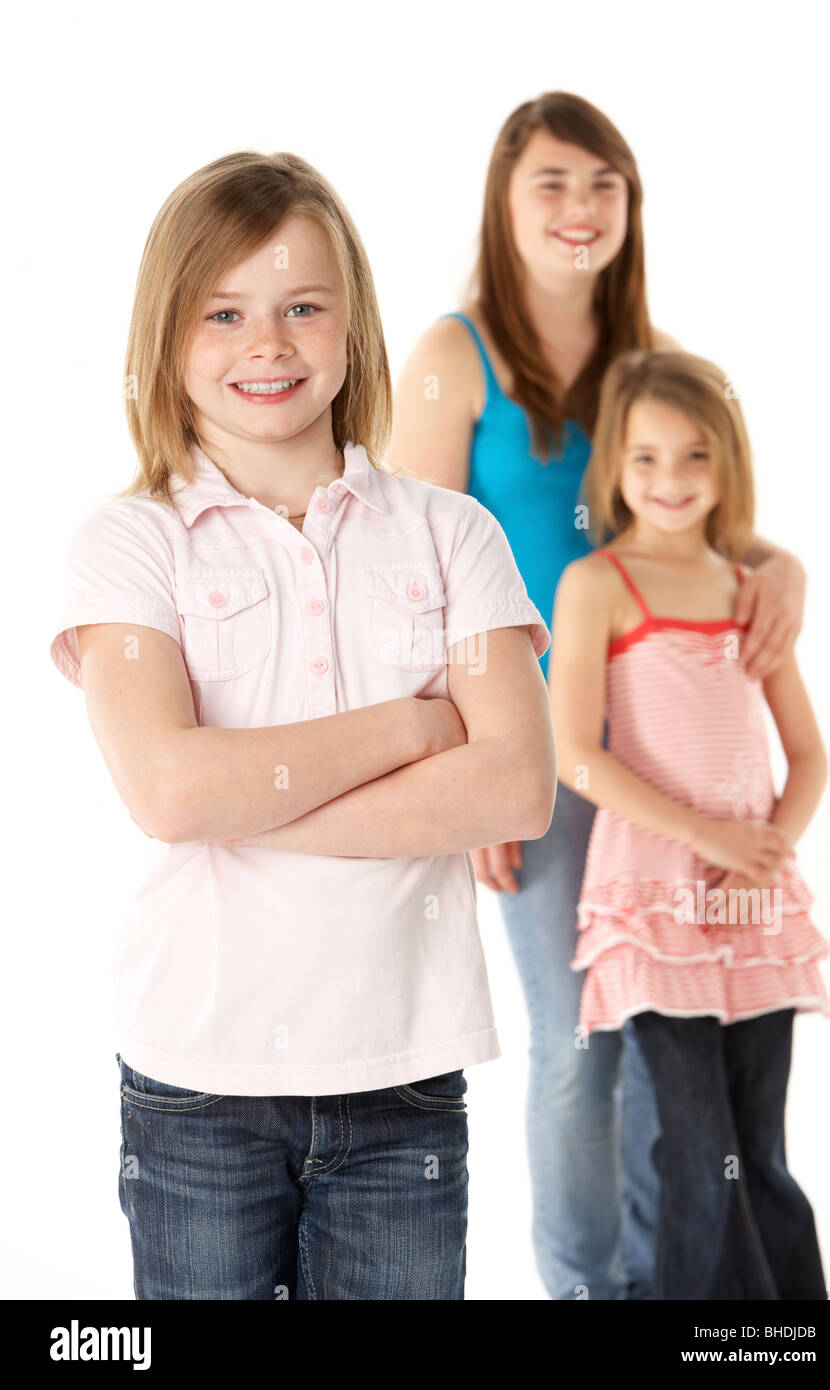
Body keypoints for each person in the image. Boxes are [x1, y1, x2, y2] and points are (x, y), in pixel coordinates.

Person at [48, 150, 557, 1300]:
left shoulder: (451, 533)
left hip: (406, 1077)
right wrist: (415, 728)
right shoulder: (130, 542)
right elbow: (169, 796)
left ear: (350, 328)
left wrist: (246, 798)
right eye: (223, 312)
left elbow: (515, 788)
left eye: (301, 308)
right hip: (197, 1078)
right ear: (167, 337)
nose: (265, 343)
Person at [390, 90, 808, 1300]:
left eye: (602, 186)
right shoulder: (449, 359)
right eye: (551, 184)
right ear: (503, 203)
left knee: (656, 1034)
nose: (579, 210)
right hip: (538, 757)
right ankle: (581, 1290)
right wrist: (467, 782)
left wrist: (779, 561)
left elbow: (694, 521)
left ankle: (661, 1287)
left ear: (630, 207)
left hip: (664, 757)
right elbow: (409, 581)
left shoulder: (650, 364)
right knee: (575, 1046)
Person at [549, 346, 830, 1300]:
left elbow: (812, 757)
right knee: (697, 1147)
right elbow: (574, 754)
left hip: (754, 909)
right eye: (646, 459)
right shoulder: (598, 585)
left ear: (729, 463)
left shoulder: (744, 590)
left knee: (760, 1149)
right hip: (655, 905)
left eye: (696, 456)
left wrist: (765, 857)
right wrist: (710, 840)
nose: (671, 481)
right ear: (615, 470)